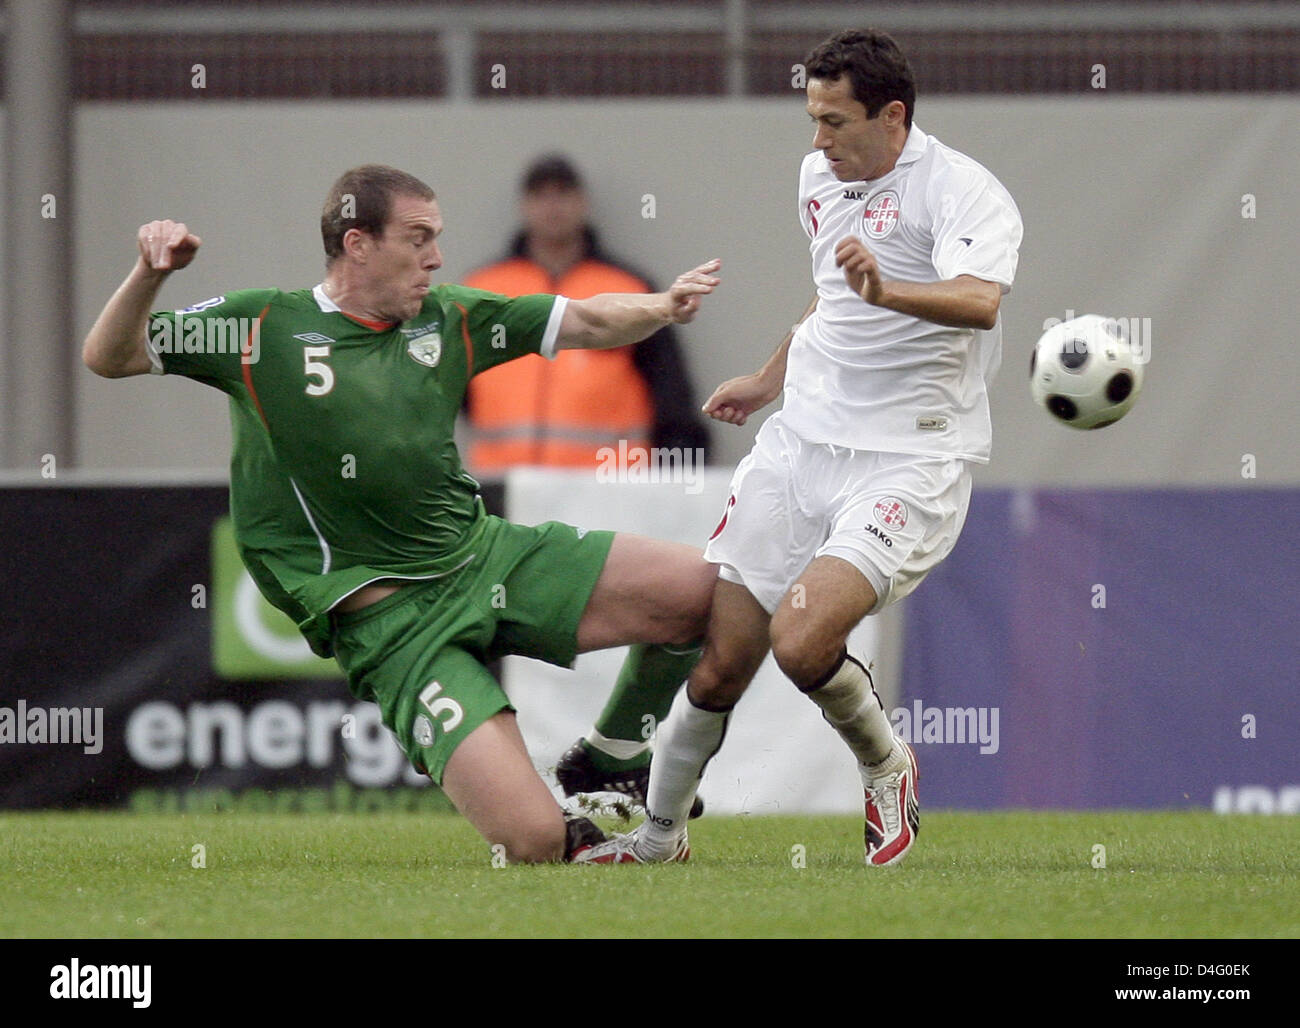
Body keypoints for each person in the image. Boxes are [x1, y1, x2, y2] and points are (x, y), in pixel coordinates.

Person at [82, 164, 722, 863]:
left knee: (710, 593)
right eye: (418, 239)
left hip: (486, 559)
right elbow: (109, 356)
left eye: (436, 239)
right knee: (535, 844)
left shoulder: (450, 316)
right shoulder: (262, 326)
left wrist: (664, 305)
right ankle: (572, 837)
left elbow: (587, 319)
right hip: (394, 629)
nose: (436, 257)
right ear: (358, 244)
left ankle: (613, 759)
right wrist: (149, 275)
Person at [576, 28, 1023, 866]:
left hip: (908, 459)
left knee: (803, 640)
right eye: (811, 118)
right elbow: (830, 303)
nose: (816, 141)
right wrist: (766, 377)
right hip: (799, 446)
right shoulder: (821, 177)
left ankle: (888, 764)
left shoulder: (965, 192)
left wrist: (889, 288)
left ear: (893, 116)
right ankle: (660, 839)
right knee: (721, 663)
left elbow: (979, 301)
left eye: (835, 121)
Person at [463, 153, 710, 472]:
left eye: (563, 194)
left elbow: (670, 390)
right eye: (541, 195)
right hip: (503, 485)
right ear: (524, 205)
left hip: (604, 485)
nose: (553, 206)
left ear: (583, 203)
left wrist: (681, 465)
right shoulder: (485, 289)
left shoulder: (628, 287)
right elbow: (450, 385)